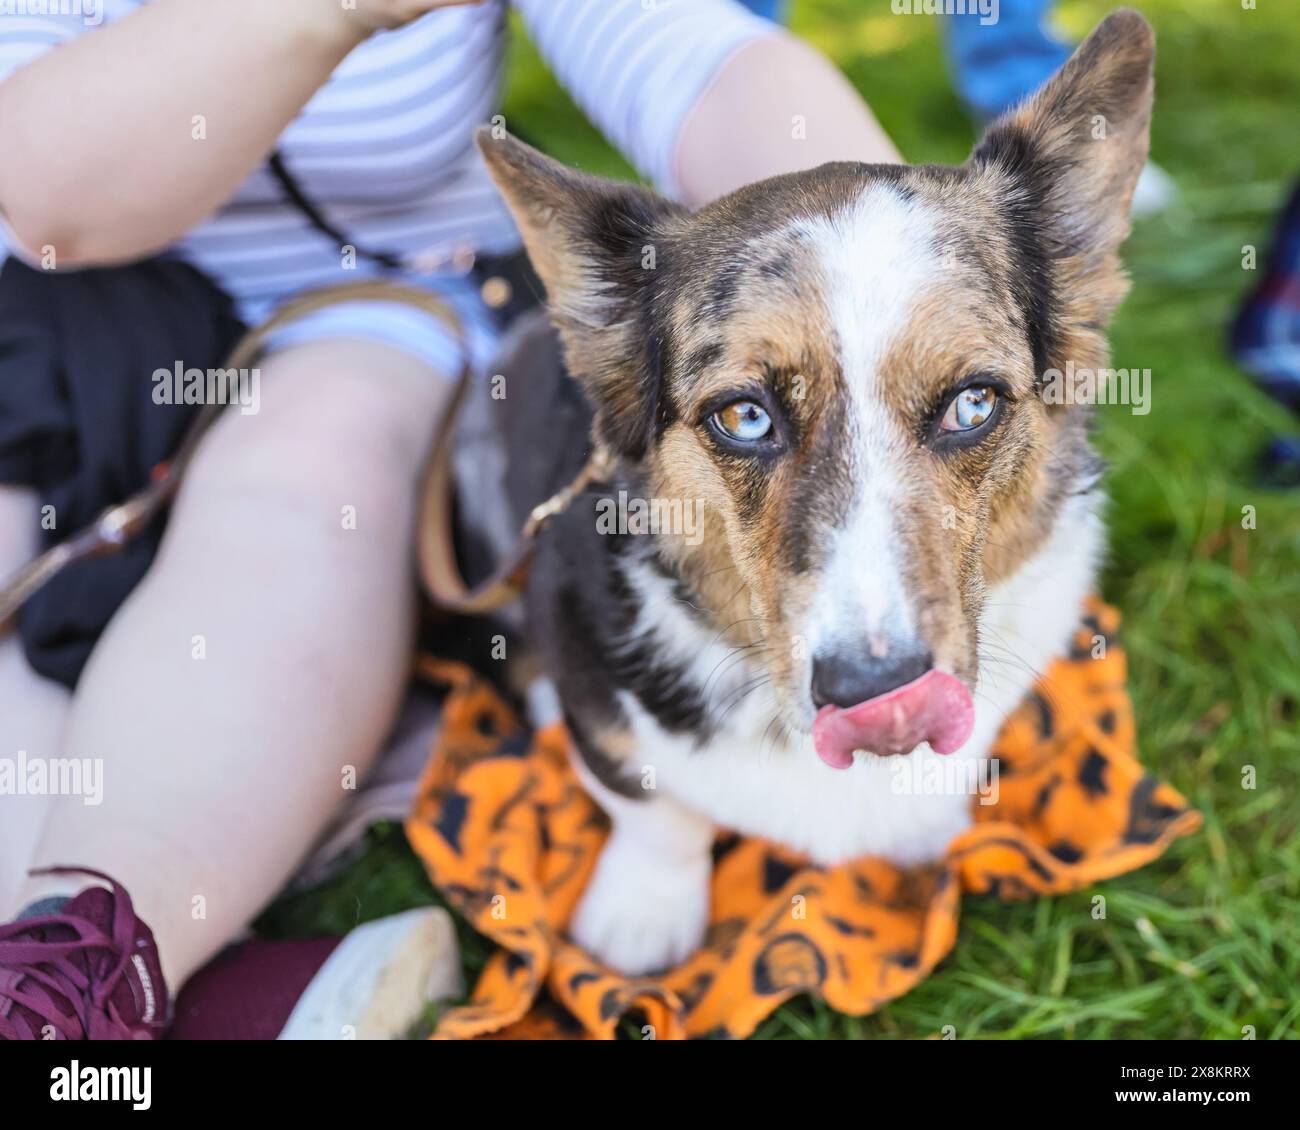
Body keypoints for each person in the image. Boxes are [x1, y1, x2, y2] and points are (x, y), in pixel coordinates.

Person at [0, 0, 901, 1039]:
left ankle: (82, 978)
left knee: (310, 466)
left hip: (370, 313)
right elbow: (44, 198)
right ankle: (164, 998)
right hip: (59, 317)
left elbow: (690, 58)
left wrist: (894, 249)